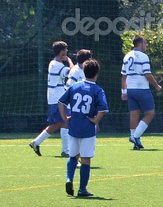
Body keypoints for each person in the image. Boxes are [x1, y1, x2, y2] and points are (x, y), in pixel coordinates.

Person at [58, 58, 108, 198]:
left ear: (84, 71)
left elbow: (61, 102)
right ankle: (82, 189)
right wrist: (95, 120)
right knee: (85, 159)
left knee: (73, 155)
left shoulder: (75, 86)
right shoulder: (97, 90)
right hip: (87, 129)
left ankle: (69, 179)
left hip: (74, 126)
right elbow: (103, 109)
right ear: (97, 73)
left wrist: (65, 118)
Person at [28, 41, 71, 157]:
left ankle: (36, 142)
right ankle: (65, 151)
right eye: (66, 50)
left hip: (55, 98)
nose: (67, 51)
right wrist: (69, 61)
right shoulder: (58, 65)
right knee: (65, 122)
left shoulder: (53, 62)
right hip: (58, 99)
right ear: (62, 51)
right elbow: (71, 73)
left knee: (58, 124)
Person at [122, 35, 162, 150]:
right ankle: (135, 136)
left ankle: (134, 139)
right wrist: (157, 86)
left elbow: (123, 75)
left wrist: (123, 91)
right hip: (142, 88)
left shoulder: (127, 55)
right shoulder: (143, 56)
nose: (146, 45)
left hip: (130, 89)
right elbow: (147, 74)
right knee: (150, 113)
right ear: (139, 44)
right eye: (145, 43)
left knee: (134, 114)